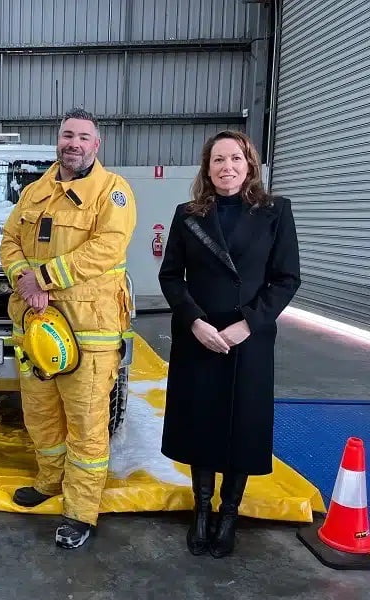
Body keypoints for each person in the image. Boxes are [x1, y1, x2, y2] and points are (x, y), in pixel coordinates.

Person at [158, 130, 300, 558]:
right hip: (200, 335)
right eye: (218, 160)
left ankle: (229, 513)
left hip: (248, 338)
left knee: (242, 424)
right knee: (202, 421)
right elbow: (170, 278)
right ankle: (201, 511)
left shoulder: (275, 212)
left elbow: (286, 278)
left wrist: (249, 324)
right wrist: (195, 321)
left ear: (249, 163)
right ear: (207, 168)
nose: (227, 167)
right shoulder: (188, 214)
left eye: (235, 158)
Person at [0, 108, 137, 548]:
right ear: (57, 142)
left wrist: (44, 277)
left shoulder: (113, 193)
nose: (72, 143)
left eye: (82, 137)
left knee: (86, 425)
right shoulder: (35, 192)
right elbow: (8, 242)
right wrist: (24, 276)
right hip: (37, 326)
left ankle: (80, 512)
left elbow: (106, 249)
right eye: (66, 136)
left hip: (89, 332)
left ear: (96, 146)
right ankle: (50, 481)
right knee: (40, 417)